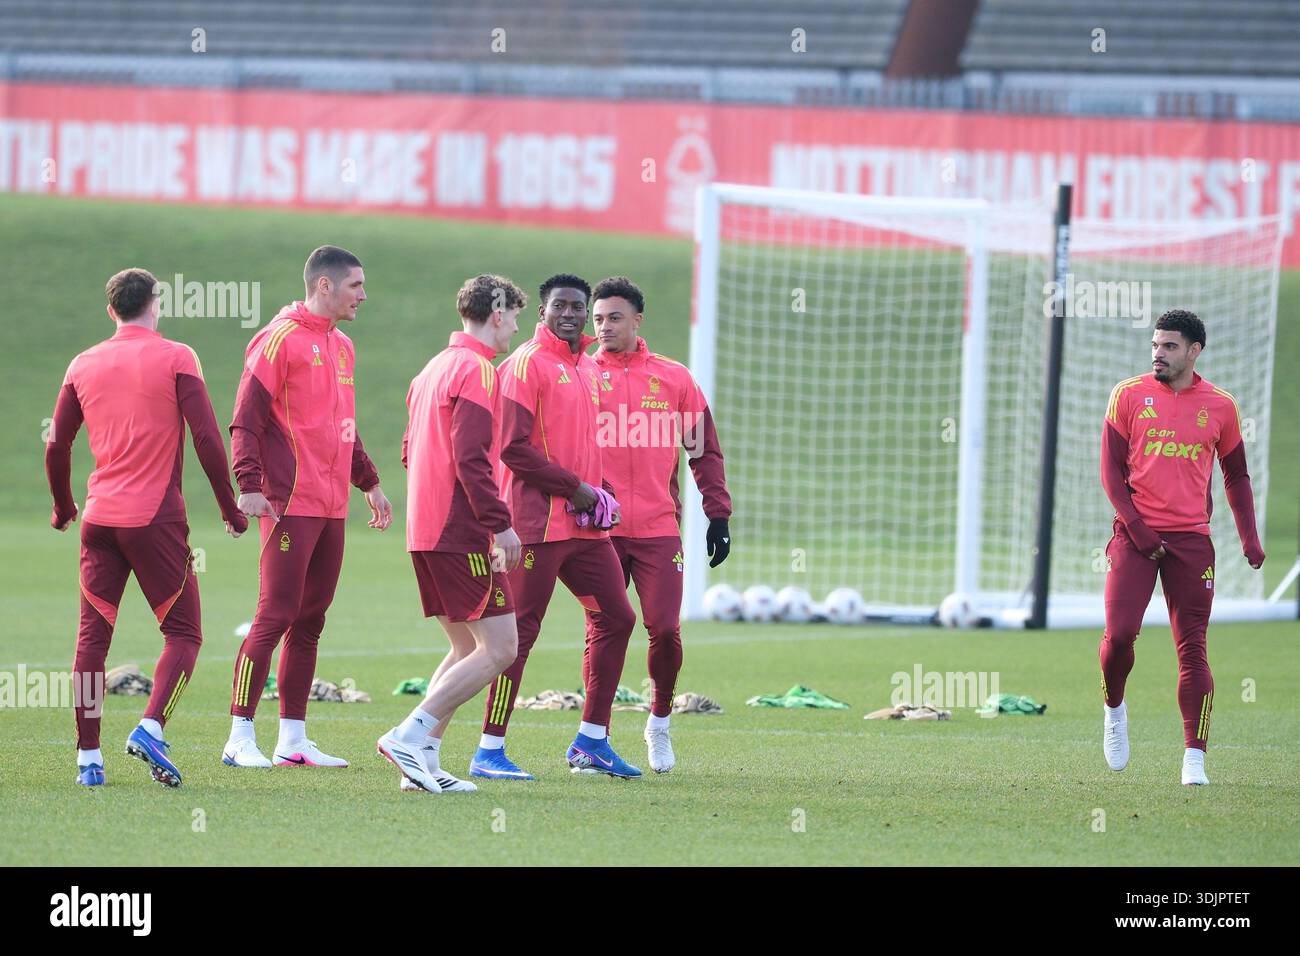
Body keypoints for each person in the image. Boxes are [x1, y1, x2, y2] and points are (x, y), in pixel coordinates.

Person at [45, 267, 246, 787]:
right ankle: (151, 727)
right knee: (184, 633)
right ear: (156, 304)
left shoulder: (82, 362)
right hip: (154, 518)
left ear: (110, 311)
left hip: (98, 519)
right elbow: (206, 438)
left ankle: (88, 759)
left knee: (91, 642)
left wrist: (63, 506)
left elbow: (56, 445)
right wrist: (230, 508)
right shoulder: (177, 355)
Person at [222, 245, 392, 769]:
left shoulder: (342, 346)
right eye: (356, 286)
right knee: (273, 616)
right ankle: (239, 736)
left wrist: (369, 481)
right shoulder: (278, 340)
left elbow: (343, 424)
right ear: (325, 286)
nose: (363, 295)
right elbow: (245, 418)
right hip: (287, 500)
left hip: (331, 502)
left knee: (311, 619)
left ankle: (292, 739)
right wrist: (249, 483)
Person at [470, 274, 641, 780]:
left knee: (617, 618)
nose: (570, 314)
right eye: (560, 306)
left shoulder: (586, 366)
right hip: (535, 525)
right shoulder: (524, 364)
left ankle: (591, 740)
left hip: (583, 527)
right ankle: (489, 749)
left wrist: (601, 489)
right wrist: (579, 490)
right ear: (543, 311)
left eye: (578, 307)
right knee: (517, 636)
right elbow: (512, 449)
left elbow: (581, 444)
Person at [1099, 309, 1264, 786]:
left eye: (1169, 346)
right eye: (1155, 345)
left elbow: (1236, 475)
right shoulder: (1128, 395)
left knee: (1193, 649)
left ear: (1194, 351)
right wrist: (1137, 527)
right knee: (1120, 635)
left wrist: (1249, 536)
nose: (1158, 353)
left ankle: (1195, 757)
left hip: (1192, 542)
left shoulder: (1221, 406)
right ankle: (1114, 709)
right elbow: (1111, 474)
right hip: (1134, 537)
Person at [378, 274, 525, 794]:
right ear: (497, 314)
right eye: (513, 316)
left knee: (466, 646)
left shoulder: (432, 369)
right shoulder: (477, 371)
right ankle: (408, 735)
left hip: (426, 529)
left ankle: (423, 763)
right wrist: (500, 524)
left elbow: (407, 450)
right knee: (503, 647)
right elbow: (469, 458)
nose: (515, 326)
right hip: (458, 531)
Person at [589, 276, 731, 772]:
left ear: (638, 320)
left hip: (657, 528)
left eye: (614, 317)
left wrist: (717, 513)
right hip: (599, 529)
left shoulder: (673, 378)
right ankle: (594, 735)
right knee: (605, 628)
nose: (604, 327)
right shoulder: (581, 374)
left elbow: (703, 451)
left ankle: (659, 722)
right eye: (598, 318)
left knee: (666, 629)